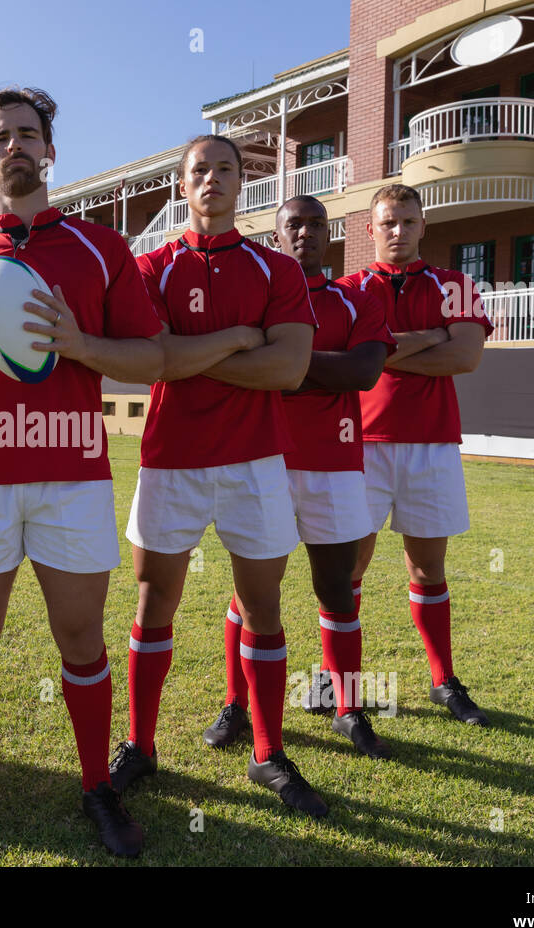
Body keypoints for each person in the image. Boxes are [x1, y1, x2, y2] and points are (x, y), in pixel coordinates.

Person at [0, 87, 163, 861]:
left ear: (49, 151)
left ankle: (96, 787)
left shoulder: (101, 250)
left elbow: (147, 361)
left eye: (27, 135)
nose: (14, 146)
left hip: (72, 474)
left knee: (80, 638)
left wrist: (80, 344)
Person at [108, 137, 326, 818]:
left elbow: (287, 370)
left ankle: (267, 752)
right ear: (182, 185)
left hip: (255, 460)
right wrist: (237, 338)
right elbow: (151, 364)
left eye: (224, 170)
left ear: (241, 183)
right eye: (198, 171)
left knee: (262, 607)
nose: (211, 180)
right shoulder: (151, 268)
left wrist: (186, 354)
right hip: (171, 459)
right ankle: (140, 747)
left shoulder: (274, 269)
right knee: (153, 605)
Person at [206, 195, 396, 760]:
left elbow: (364, 372)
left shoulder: (353, 298)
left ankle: (348, 707)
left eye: (317, 225)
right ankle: (235, 704)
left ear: (330, 234)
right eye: (295, 224)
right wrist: (315, 366)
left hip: (336, 465)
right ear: (276, 232)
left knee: (337, 588)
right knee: (253, 591)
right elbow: (256, 375)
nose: (306, 233)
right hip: (264, 458)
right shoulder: (261, 294)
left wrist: (289, 360)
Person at [325, 183, 493, 726]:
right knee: (349, 569)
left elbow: (464, 357)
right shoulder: (349, 289)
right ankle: (342, 689)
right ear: (369, 229)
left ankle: (443, 681)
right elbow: (353, 360)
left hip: (432, 444)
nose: (397, 231)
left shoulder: (455, 284)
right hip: (360, 447)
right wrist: (428, 338)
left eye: (407, 221)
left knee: (428, 568)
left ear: (423, 226)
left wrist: (388, 347)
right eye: (387, 223)